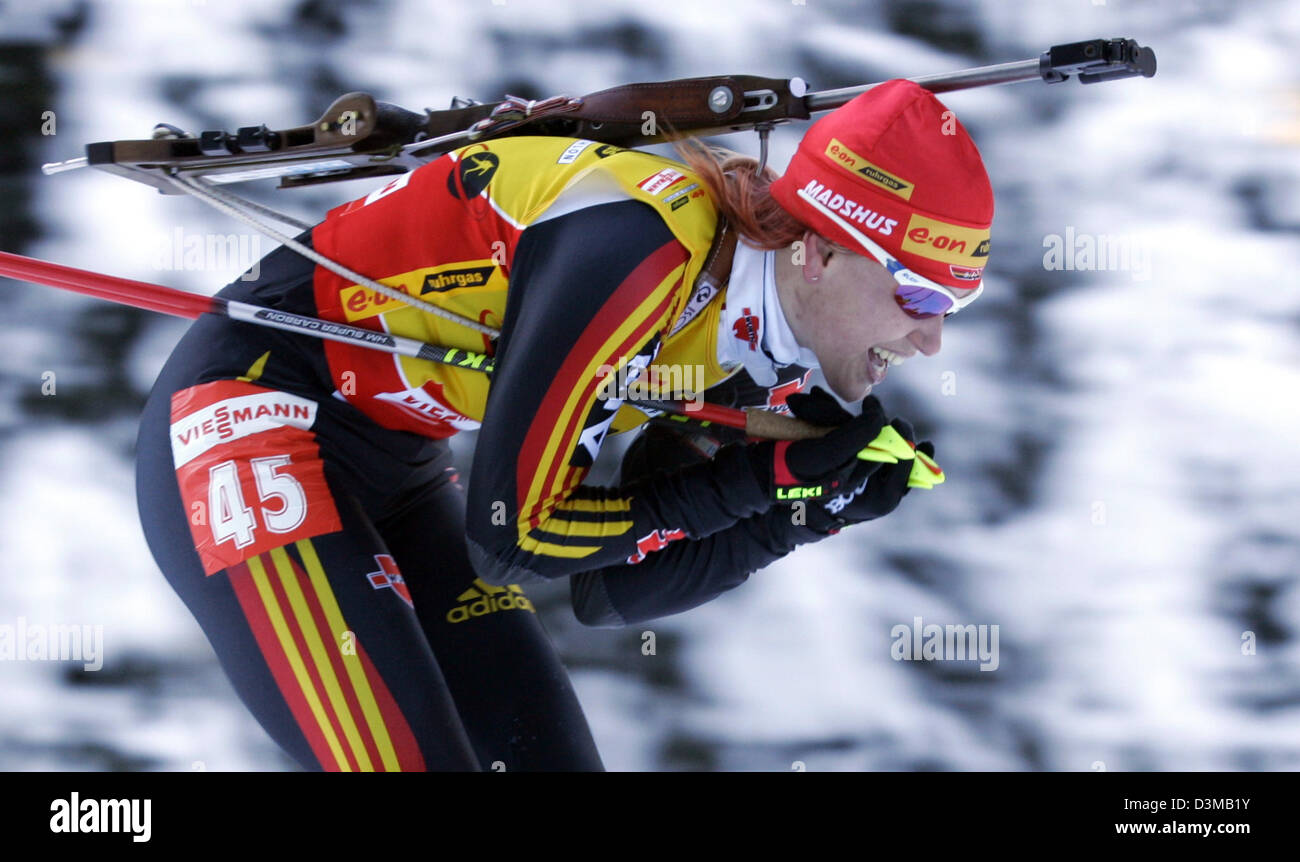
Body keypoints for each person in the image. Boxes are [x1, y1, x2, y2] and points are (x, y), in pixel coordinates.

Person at [134, 78, 994, 771]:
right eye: (920, 294)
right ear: (821, 250)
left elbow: (614, 589)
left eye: (958, 302)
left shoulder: (755, 336)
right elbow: (515, 533)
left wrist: (800, 512)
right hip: (249, 417)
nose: (932, 334)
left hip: (392, 466)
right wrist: (752, 482)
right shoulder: (644, 245)